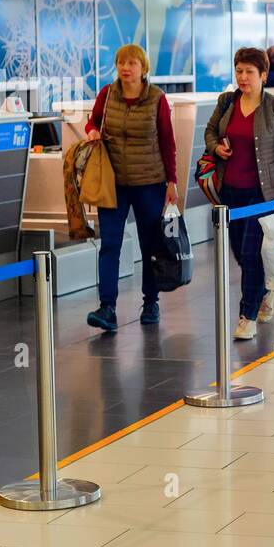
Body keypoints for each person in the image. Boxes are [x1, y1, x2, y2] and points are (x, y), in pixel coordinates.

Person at [204, 47, 274, 339]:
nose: (242, 77)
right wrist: (216, 147)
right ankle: (266, 289)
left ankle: (247, 315)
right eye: (238, 71)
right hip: (229, 192)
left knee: (251, 253)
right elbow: (209, 132)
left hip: (263, 194)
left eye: (249, 72)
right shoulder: (227, 102)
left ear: (263, 75)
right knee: (238, 251)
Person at [84, 44, 177, 333]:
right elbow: (92, 122)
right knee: (110, 244)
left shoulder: (156, 98)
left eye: (132, 63)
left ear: (143, 68)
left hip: (149, 181)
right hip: (113, 182)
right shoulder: (107, 94)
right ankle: (107, 308)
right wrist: (92, 131)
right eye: (122, 63)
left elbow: (167, 141)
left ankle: (151, 302)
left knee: (150, 245)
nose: (126, 68)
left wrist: (171, 181)